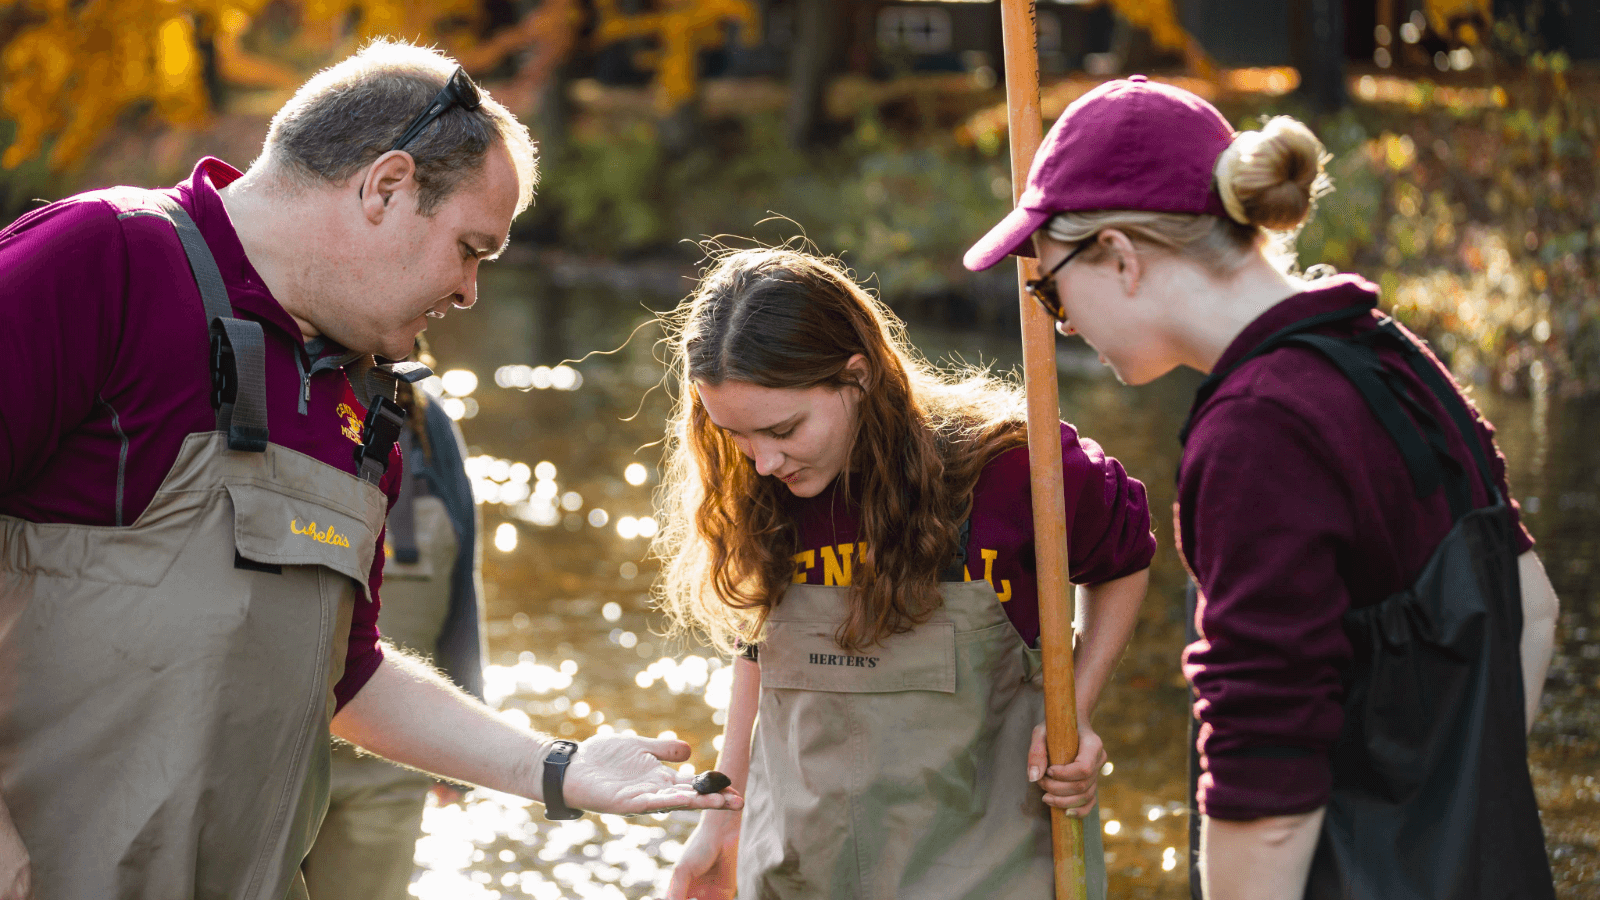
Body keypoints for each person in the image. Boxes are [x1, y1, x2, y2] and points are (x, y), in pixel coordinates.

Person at [0, 40, 736, 900]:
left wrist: (558, 768)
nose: (468, 293)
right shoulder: (107, 258)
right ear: (387, 187)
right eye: (470, 249)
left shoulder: (366, 400)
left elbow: (347, 673)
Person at [963, 76, 1560, 900]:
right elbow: (1529, 607)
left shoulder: (1255, 432)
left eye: (1049, 287)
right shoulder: (1396, 357)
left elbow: (1263, 780)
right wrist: (1440, 810)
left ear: (1120, 255)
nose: (1058, 317)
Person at [654, 247, 1155, 899]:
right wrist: (723, 818)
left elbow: (1122, 560)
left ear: (856, 377)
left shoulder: (1012, 470)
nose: (764, 460)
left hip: (990, 863)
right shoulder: (760, 486)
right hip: (808, 860)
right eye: (738, 436)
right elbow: (764, 647)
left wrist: (1077, 714)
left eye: (784, 429)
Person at [302, 338, 486, 899]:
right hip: (272, 756)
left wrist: (462, 749)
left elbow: (461, 591)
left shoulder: (429, 423)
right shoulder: (275, 390)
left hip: (392, 756)